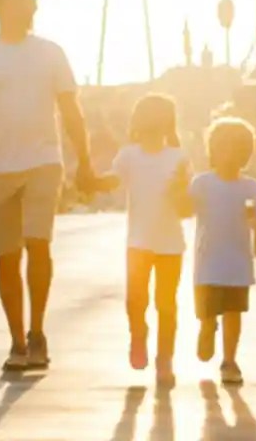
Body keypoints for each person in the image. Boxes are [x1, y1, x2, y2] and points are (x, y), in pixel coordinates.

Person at [0, 0, 95, 372]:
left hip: (43, 161)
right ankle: (16, 338)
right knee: (6, 256)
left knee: (38, 244)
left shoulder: (51, 53)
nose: (33, 6)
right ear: (2, 5)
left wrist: (84, 157)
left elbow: (71, 109)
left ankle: (38, 332)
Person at [93, 94, 191, 386]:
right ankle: (138, 334)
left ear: (168, 125)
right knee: (136, 300)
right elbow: (114, 178)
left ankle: (165, 360)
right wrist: (92, 180)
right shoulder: (129, 155)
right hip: (138, 242)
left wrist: (182, 191)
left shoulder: (179, 158)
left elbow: (188, 201)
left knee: (167, 303)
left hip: (171, 244)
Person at [191, 117, 256, 386]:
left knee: (234, 312)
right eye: (225, 148)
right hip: (208, 262)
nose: (231, 155)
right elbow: (185, 207)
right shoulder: (201, 183)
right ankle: (207, 326)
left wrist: (254, 216)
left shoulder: (250, 186)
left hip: (238, 263)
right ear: (213, 149)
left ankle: (230, 361)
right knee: (208, 307)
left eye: (238, 150)